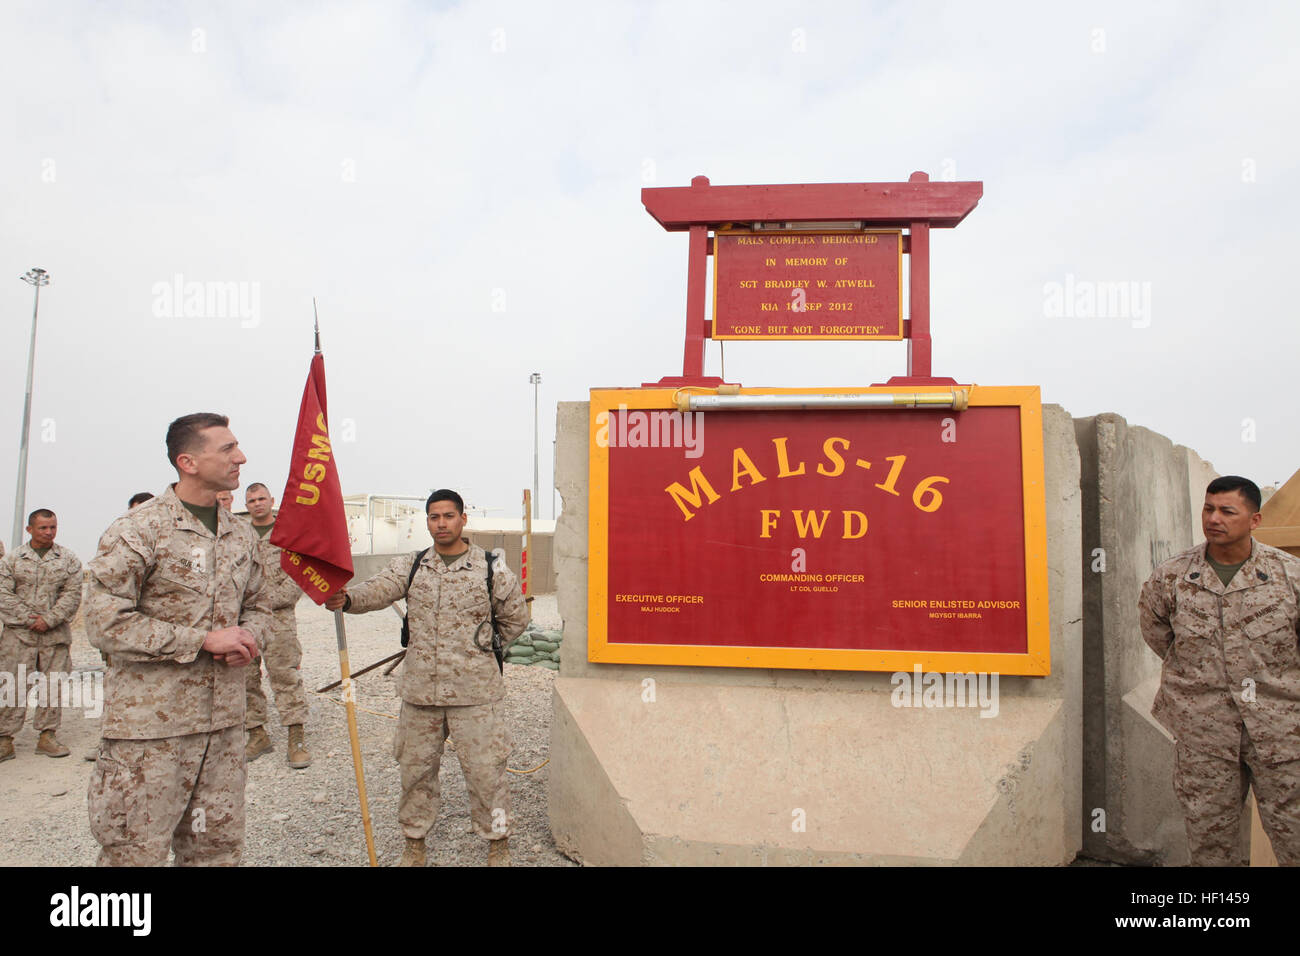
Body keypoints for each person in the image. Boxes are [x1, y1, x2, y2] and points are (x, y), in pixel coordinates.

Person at [83, 412, 271, 865]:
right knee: (134, 855)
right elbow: (104, 622)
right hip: (150, 734)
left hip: (224, 729)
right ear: (188, 461)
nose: (240, 457)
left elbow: (261, 605)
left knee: (217, 853)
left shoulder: (240, 533)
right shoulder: (138, 530)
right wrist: (203, 640)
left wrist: (249, 637)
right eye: (227, 449)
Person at [325, 488, 527, 867]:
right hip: (421, 695)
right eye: (434, 517)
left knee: (487, 773)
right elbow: (379, 590)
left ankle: (497, 844)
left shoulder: (490, 566)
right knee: (415, 772)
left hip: (476, 694)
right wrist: (347, 600)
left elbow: (516, 618)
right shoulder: (413, 565)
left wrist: (482, 647)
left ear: (463, 519)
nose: (441, 523)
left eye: (449, 516)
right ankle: (414, 842)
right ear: (428, 521)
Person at [1140, 475, 1300, 866]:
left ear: (1255, 520)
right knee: (1212, 848)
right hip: (1204, 735)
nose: (1214, 518)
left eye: (1228, 511)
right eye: (1209, 508)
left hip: (1283, 734)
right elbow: (1158, 634)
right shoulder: (1172, 577)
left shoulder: (1290, 577)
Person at [0, 509, 82, 761]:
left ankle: (47, 736)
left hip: (54, 636)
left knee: (53, 685)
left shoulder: (68, 559)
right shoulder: (12, 560)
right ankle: (5, 739)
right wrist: (29, 619)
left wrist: (49, 619)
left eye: (53, 527)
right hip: (18, 636)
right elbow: (3, 593)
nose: (48, 532)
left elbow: (72, 594)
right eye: (43, 528)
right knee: (11, 685)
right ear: (30, 530)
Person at [242, 482, 310, 767]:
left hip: (278, 619)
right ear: (246, 505)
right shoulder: (239, 535)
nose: (257, 504)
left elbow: (298, 575)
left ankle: (296, 737)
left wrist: (268, 602)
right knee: (245, 678)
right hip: (244, 621)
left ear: (271, 500)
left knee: (285, 676)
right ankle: (257, 733)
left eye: (261, 498)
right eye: (251, 500)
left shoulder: (287, 534)